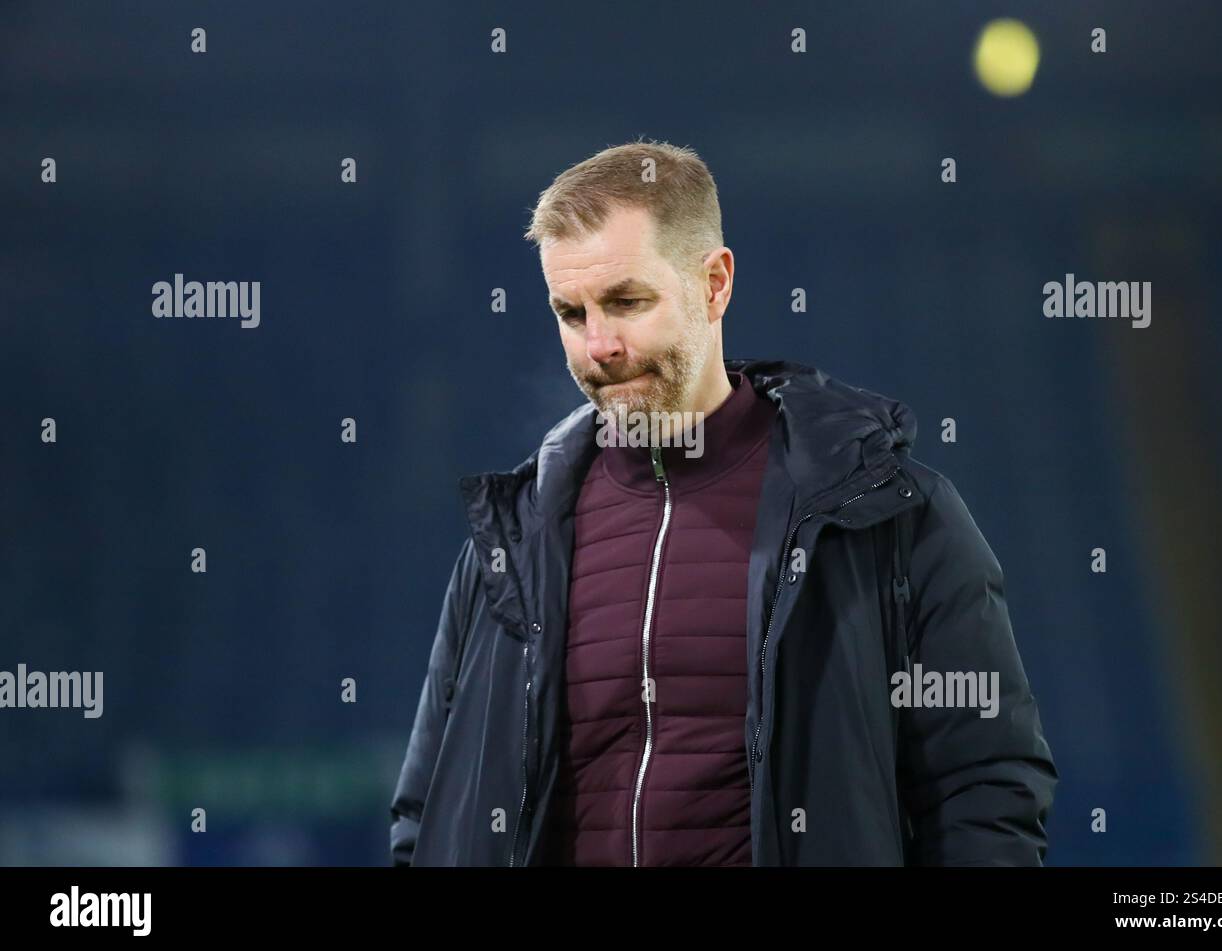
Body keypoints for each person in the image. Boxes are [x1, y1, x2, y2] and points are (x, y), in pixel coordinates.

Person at [390, 140, 1057, 866]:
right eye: (571, 312)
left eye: (626, 301)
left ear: (714, 284)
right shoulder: (508, 543)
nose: (598, 345)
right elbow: (426, 812)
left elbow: (985, 790)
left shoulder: (892, 516)